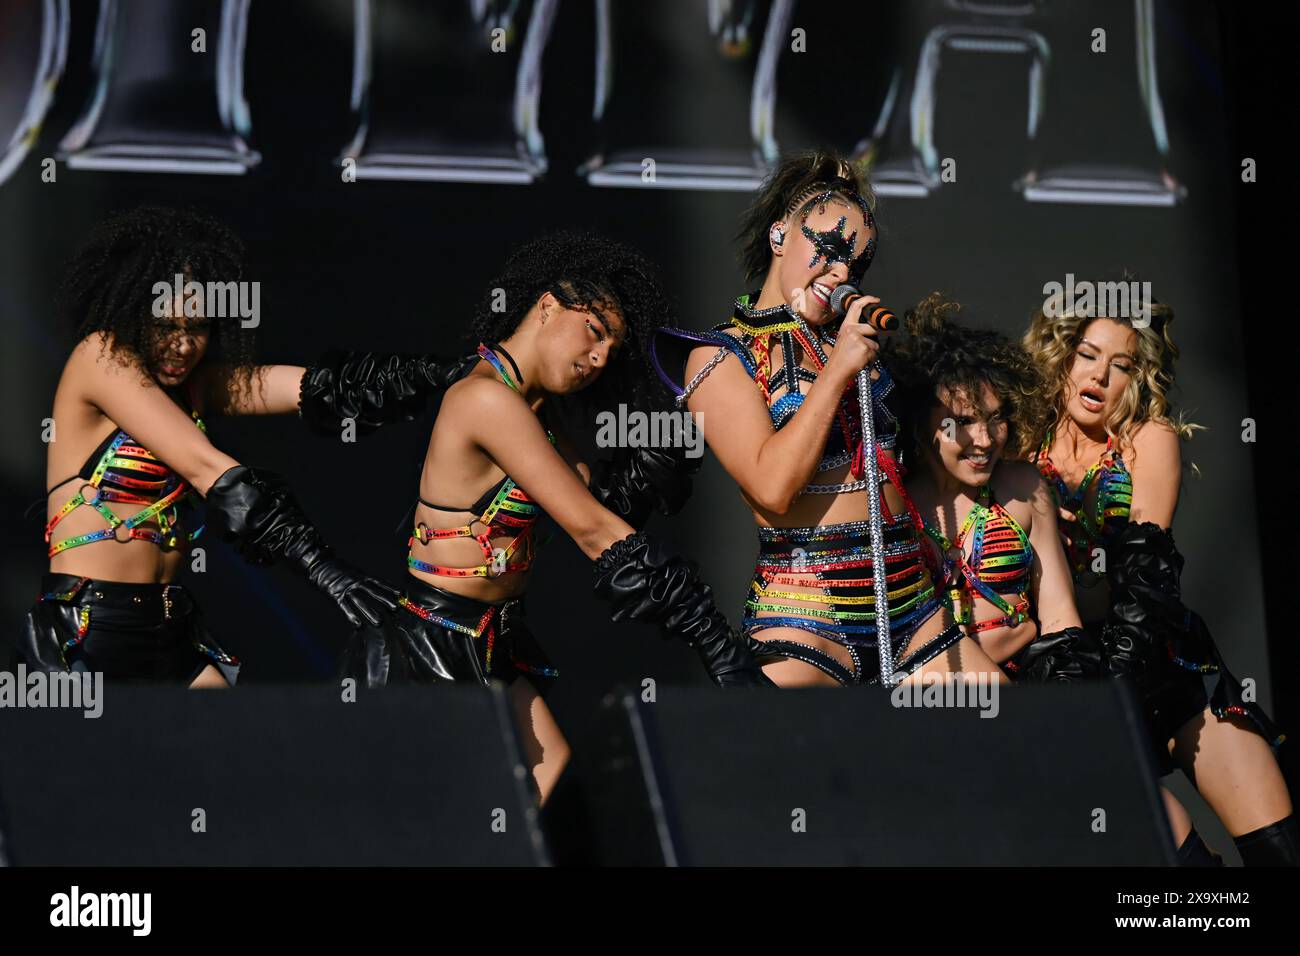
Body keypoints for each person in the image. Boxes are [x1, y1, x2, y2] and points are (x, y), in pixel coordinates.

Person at [298, 230, 772, 804]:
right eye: (595, 331)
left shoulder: (535, 422)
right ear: (547, 305)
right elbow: (595, 531)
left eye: (612, 352)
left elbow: (606, 518)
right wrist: (722, 651)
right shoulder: (485, 401)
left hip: (487, 644)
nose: (599, 358)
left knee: (555, 799)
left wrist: (654, 469)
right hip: (427, 650)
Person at [650, 152, 1007, 687]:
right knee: (791, 754)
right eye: (830, 250)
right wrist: (839, 367)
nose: (842, 273)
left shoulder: (854, 344)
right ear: (779, 235)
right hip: (807, 613)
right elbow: (772, 488)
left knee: (1004, 723)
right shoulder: (722, 356)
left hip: (912, 609)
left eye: (856, 264)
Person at [19, 206, 399, 686]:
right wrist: (324, 567)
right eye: (166, 326)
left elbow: (302, 387)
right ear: (133, 315)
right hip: (89, 629)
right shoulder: (101, 356)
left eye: (196, 328)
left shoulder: (192, 387)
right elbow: (207, 467)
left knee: (236, 752)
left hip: (172, 626)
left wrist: (435, 378)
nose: (182, 345)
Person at [1022, 289, 1295, 865]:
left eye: (1119, 365)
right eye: (1088, 355)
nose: (1099, 375)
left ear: (1136, 377)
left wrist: (1116, 687)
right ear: (1061, 357)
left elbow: (1148, 575)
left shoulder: (1148, 439)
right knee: (1182, 869)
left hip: (1161, 661)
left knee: (1278, 849)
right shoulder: (1023, 442)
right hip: (1075, 673)